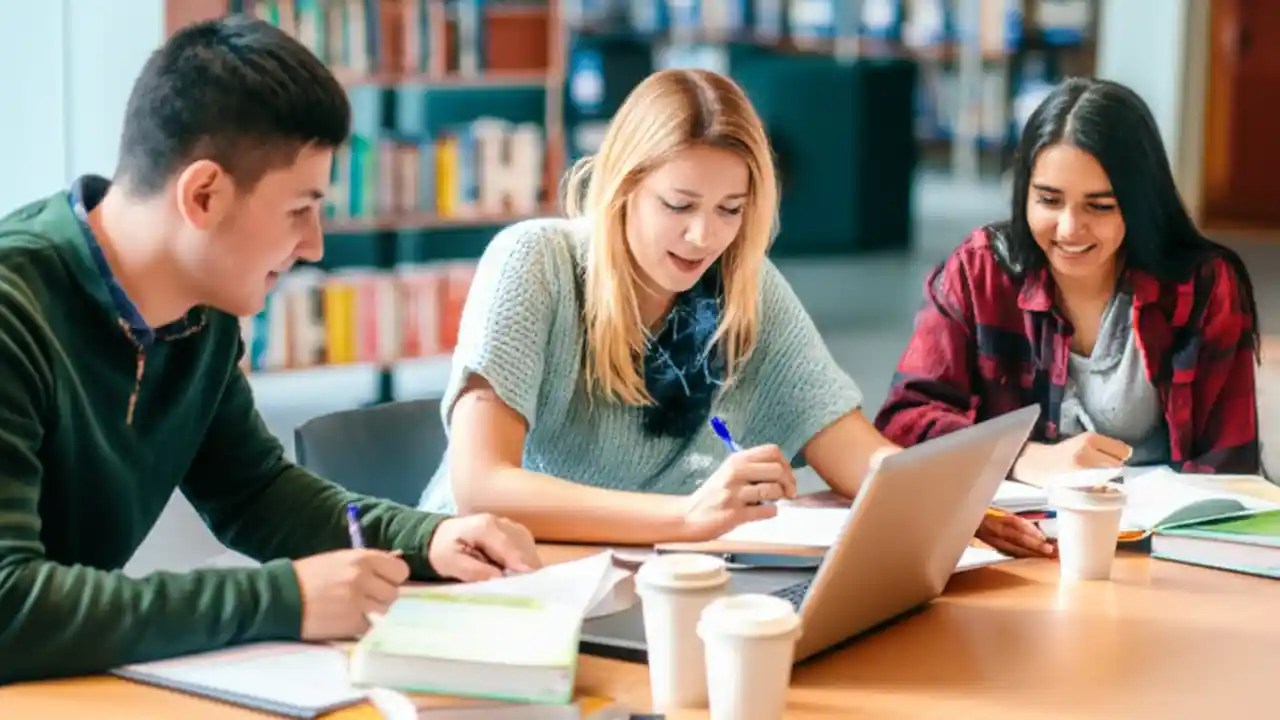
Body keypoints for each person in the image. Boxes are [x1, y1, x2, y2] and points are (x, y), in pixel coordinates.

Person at [0, 16, 540, 685]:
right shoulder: (14, 310)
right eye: (298, 210)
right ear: (203, 195)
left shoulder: (200, 313)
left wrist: (425, 538)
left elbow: (254, 492)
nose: (314, 245)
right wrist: (284, 599)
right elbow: (9, 604)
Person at [419, 68, 900, 545]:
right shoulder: (534, 261)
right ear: (624, 187)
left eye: (730, 209)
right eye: (678, 205)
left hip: (645, 570)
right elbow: (481, 487)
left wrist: (929, 490)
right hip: (483, 569)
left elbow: (857, 454)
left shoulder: (743, 287)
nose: (703, 236)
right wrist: (686, 516)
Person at [874, 77, 1261, 557]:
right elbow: (903, 421)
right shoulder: (979, 272)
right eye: (1049, 200)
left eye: (1100, 206)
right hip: (1016, 548)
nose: (1070, 228)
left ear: (1140, 202)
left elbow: (1230, 471)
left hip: (1165, 551)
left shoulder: (1202, 286)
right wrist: (1022, 457)